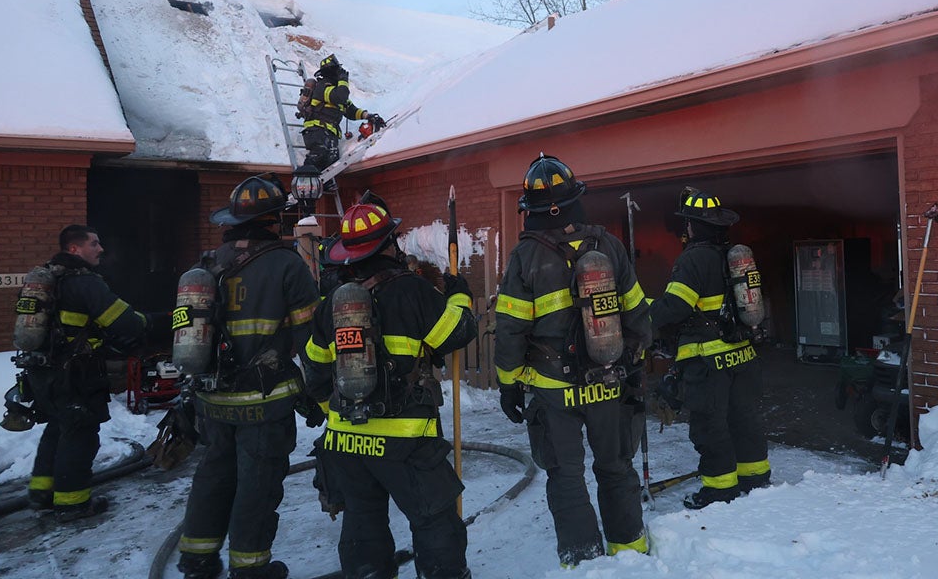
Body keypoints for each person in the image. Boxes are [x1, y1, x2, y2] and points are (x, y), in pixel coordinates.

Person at [302, 200, 475, 579]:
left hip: (347, 442)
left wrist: (335, 413)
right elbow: (458, 332)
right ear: (389, 244)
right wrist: (459, 294)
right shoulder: (412, 291)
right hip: (407, 442)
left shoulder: (331, 303)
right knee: (434, 521)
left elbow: (313, 373)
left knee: (362, 525)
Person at [494, 154, 652, 566]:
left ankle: (582, 561)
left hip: (554, 390)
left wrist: (509, 384)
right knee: (616, 466)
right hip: (607, 381)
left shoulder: (525, 258)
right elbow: (637, 314)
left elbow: (511, 330)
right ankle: (630, 548)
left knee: (565, 476)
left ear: (529, 210)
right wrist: (631, 364)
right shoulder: (609, 246)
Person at [176, 175, 320, 579]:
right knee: (256, 487)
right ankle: (250, 568)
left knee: (213, 476)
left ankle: (197, 560)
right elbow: (313, 341)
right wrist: (319, 391)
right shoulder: (287, 265)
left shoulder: (208, 265)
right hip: (264, 403)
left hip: (212, 400)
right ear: (275, 220)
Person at [649, 188, 771, 509]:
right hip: (742, 354)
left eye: (688, 223)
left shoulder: (693, 258)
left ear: (693, 226)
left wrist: (643, 310)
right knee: (744, 419)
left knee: (709, 425)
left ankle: (719, 491)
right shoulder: (732, 256)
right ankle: (755, 480)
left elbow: (675, 308)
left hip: (708, 361)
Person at [22, 225, 151, 521]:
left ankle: (42, 494)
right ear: (74, 249)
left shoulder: (46, 279)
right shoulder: (85, 283)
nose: (101, 249)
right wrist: (148, 321)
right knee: (80, 435)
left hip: (41, 373)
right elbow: (126, 324)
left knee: (57, 428)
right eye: (94, 244)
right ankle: (72, 504)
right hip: (74, 374)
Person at [299, 54, 386, 179]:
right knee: (319, 153)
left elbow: (351, 111)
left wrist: (369, 116)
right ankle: (303, 182)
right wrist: (343, 81)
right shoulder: (323, 86)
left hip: (330, 133)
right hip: (317, 130)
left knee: (332, 160)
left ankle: (324, 183)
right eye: (337, 71)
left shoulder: (337, 92)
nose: (339, 74)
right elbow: (340, 97)